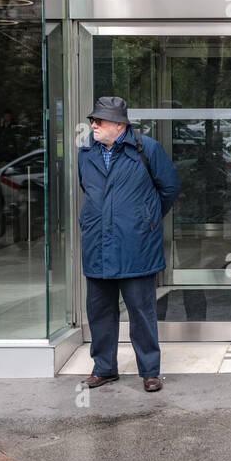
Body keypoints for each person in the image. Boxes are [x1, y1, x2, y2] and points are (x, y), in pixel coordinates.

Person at [78, 96, 180, 392]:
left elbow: (170, 187)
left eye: (99, 120)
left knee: (141, 311)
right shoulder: (86, 151)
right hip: (97, 244)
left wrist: (145, 219)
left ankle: (150, 372)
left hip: (136, 245)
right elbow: (88, 189)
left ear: (119, 125)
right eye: (92, 120)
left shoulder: (146, 148)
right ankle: (104, 368)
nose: (93, 125)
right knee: (99, 311)